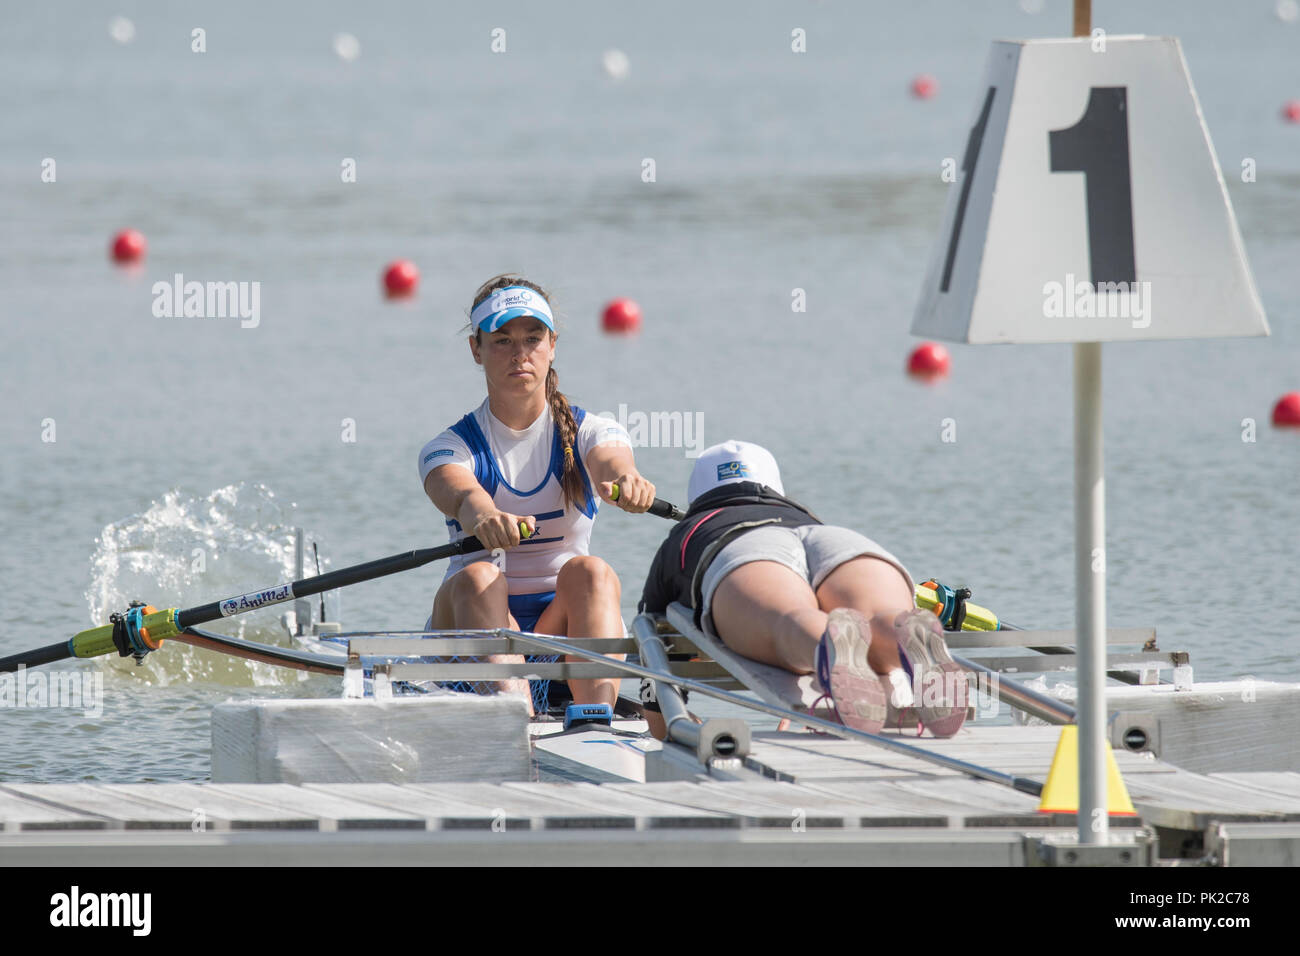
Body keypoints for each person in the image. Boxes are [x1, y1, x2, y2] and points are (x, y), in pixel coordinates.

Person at [419, 274, 656, 715]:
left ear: (552, 346)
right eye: (503, 340)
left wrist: (629, 483)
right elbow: (459, 493)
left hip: (561, 633)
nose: (520, 354)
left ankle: (595, 722)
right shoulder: (449, 448)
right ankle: (513, 715)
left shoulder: (592, 431)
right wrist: (485, 516)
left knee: (592, 572)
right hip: (471, 631)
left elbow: (614, 463)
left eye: (532, 338)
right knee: (478, 576)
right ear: (477, 349)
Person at [638, 439, 967, 737]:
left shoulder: (686, 533)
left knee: (792, 619)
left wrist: (665, 720)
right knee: (878, 616)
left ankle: (825, 644)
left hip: (739, 549)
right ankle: (904, 632)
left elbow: (652, 641)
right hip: (833, 539)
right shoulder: (802, 512)